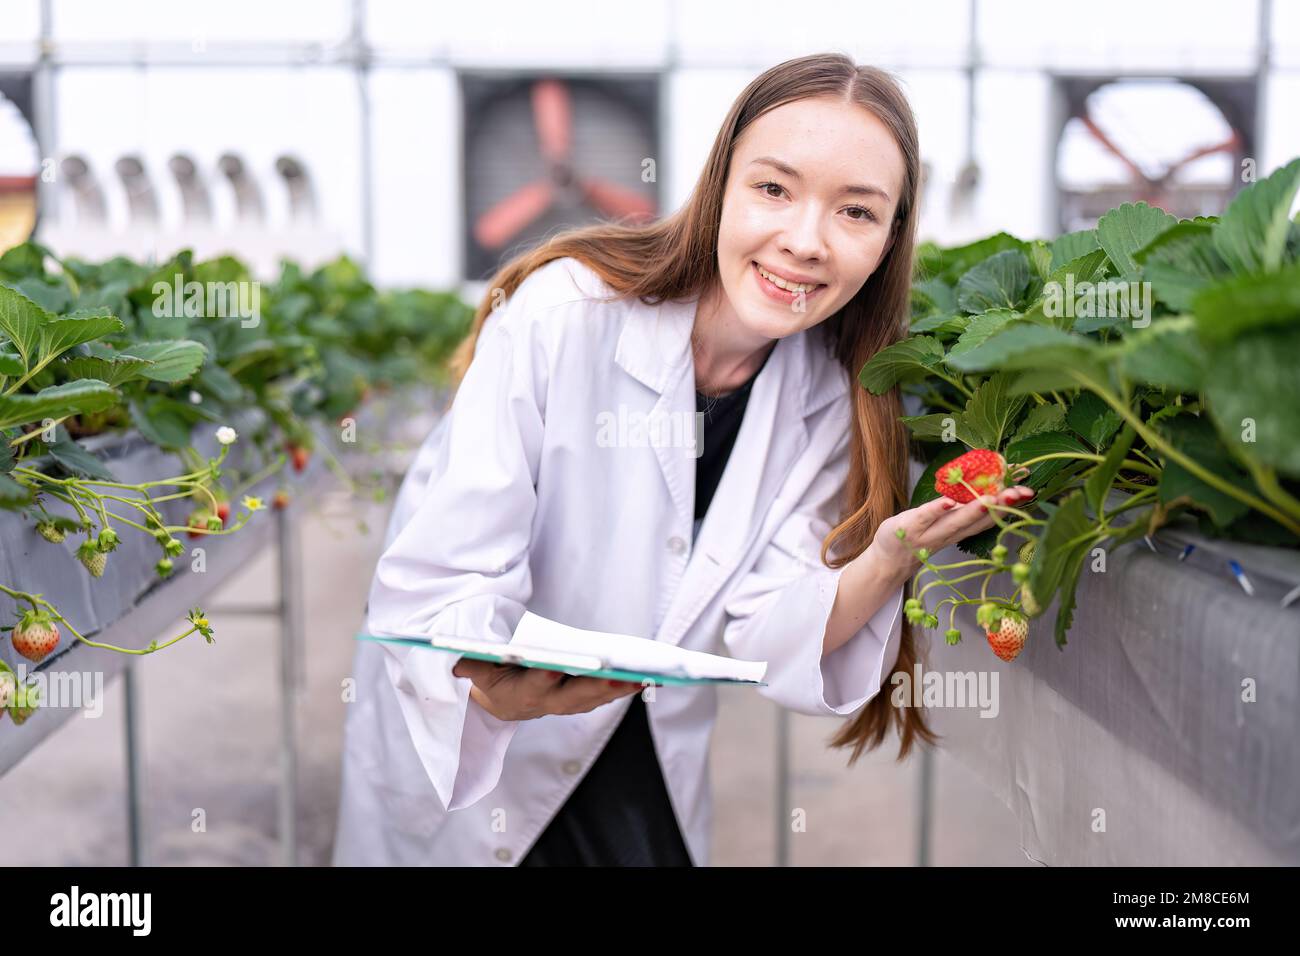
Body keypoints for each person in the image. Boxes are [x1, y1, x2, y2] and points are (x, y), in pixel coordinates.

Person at [331, 52, 1034, 867]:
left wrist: (887, 558)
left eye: (856, 212)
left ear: (889, 240)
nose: (804, 242)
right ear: (718, 187)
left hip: (646, 739)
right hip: (481, 747)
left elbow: (771, 627)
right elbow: (444, 575)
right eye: (774, 189)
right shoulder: (563, 317)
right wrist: (489, 681)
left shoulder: (829, 394)